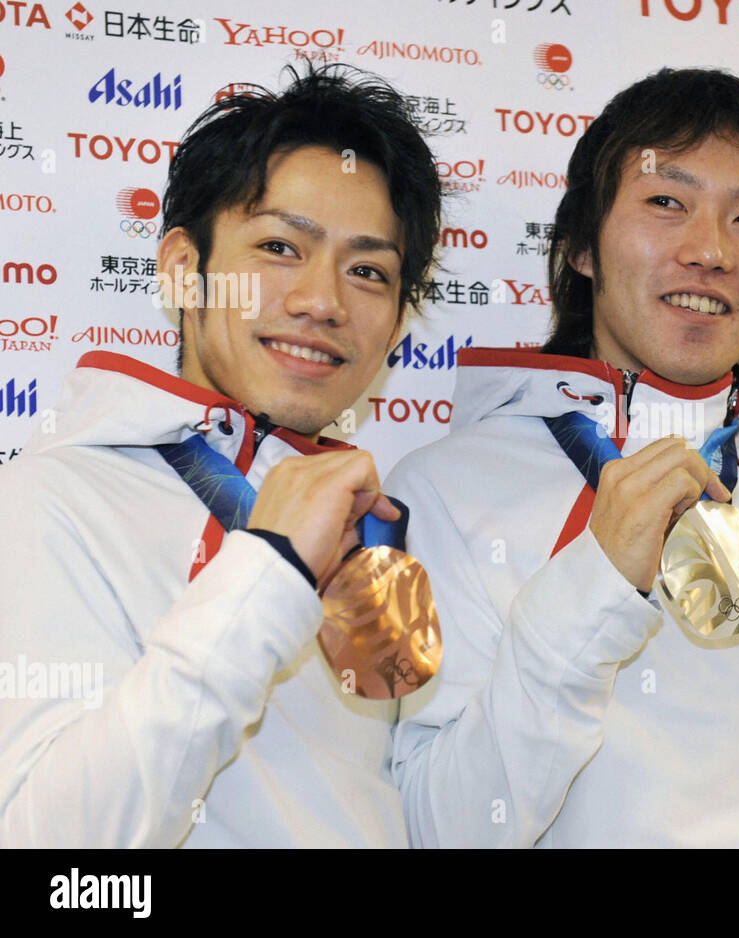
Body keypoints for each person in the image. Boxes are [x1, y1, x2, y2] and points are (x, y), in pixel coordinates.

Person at [386, 68, 739, 847]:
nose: (710, 250)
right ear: (581, 245)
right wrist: (596, 580)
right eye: (665, 202)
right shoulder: (446, 490)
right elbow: (437, 830)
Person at [0, 65, 442, 847]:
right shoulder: (50, 498)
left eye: (367, 270)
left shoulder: (379, 522)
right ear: (181, 268)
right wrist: (269, 564)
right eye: (279, 246)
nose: (323, 301)